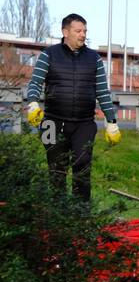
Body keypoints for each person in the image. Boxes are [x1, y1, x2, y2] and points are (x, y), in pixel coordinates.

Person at [25, 13, 121, 202]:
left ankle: (81, 215)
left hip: (84, 124)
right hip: (51, 124)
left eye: (85, 31)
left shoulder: (94, 59)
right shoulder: (48, 55)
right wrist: (33, 103)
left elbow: (102, 92)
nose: (83, 34)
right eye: (78, 31)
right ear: (65, 32)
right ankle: (59, 215)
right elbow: (35, 83)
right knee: (56, 169)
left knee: (83, 169)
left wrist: (112, 122)